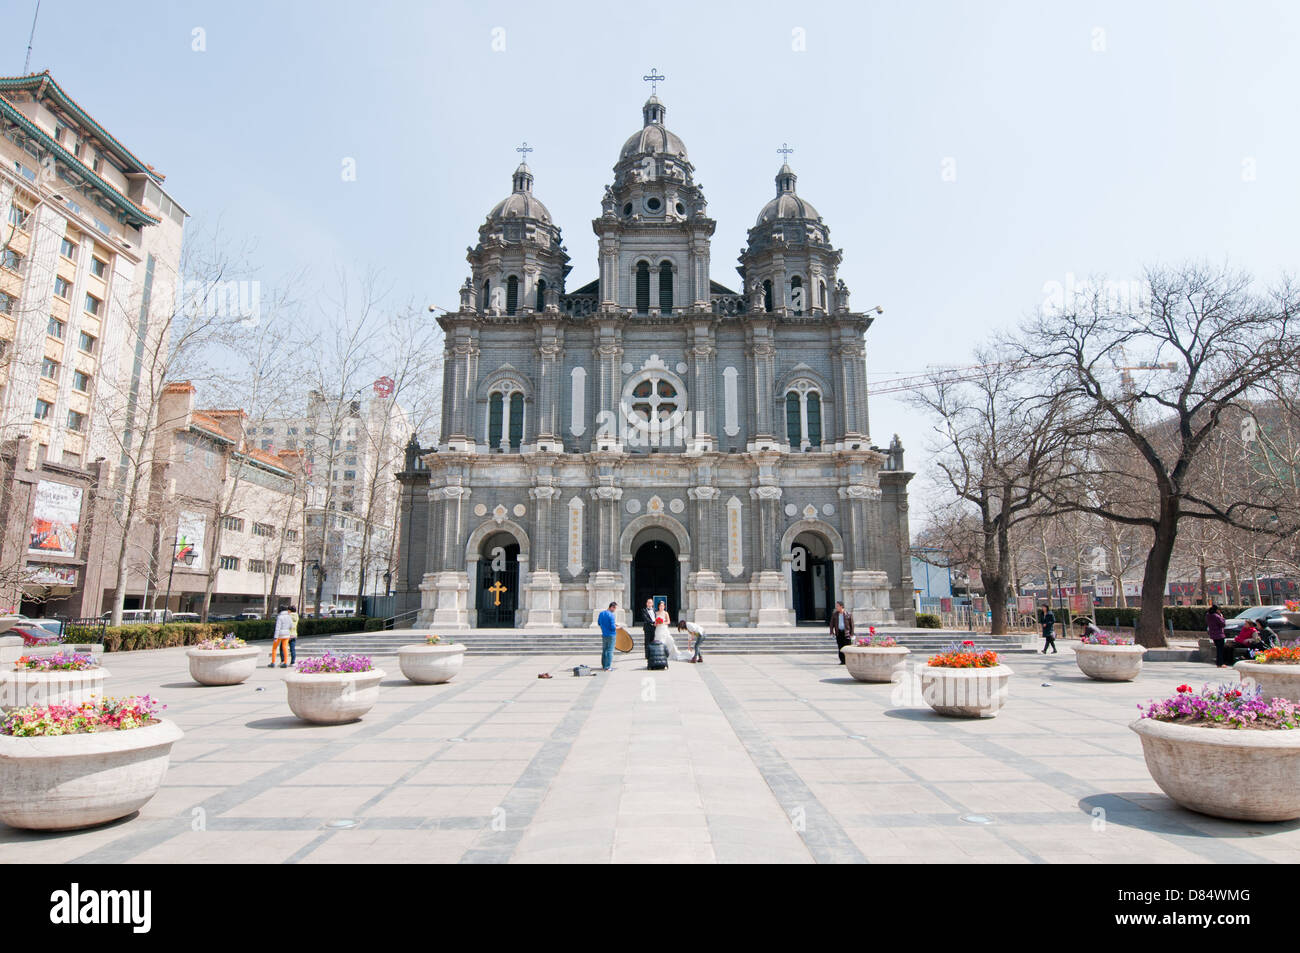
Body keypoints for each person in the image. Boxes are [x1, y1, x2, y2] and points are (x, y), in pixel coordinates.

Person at [596, 601, 618, 672]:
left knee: (604, 650)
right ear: (612, 607)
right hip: (611, 635)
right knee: (610, 651)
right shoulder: (611, 615)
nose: (615, 610)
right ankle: (608, 667)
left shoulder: (601, 613)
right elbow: (612, 627)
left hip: (604, 634)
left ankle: (604, 665)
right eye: (615, 608)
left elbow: (599, 623)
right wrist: (618, 627)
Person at [1206, 603, 1228, 667]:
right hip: (1219, 634)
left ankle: (1219, 663)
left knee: (1218, 649)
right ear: (1217, 610)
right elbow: (1223, 624)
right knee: (1220, 650)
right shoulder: (1216, 616)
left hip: (1213, 634)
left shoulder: (1208, 615)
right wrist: (1222, 617)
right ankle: (1220, 663)